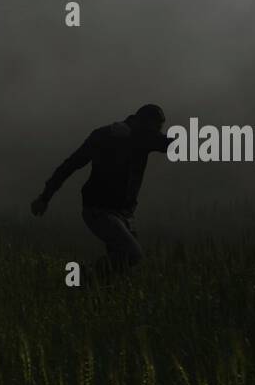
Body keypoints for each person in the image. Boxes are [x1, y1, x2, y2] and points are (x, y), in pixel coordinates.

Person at [31, 103, 173, 278]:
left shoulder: (140, 137)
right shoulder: (108, 136)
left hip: (124, 214)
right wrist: (45, 197)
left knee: (120, 265)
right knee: (132, 254)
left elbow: (168, 144)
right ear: (144, 123)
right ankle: (78, 277)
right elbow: (71, 165)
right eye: (156, 128)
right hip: (100, 211)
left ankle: (83, 286)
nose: (158, 133)